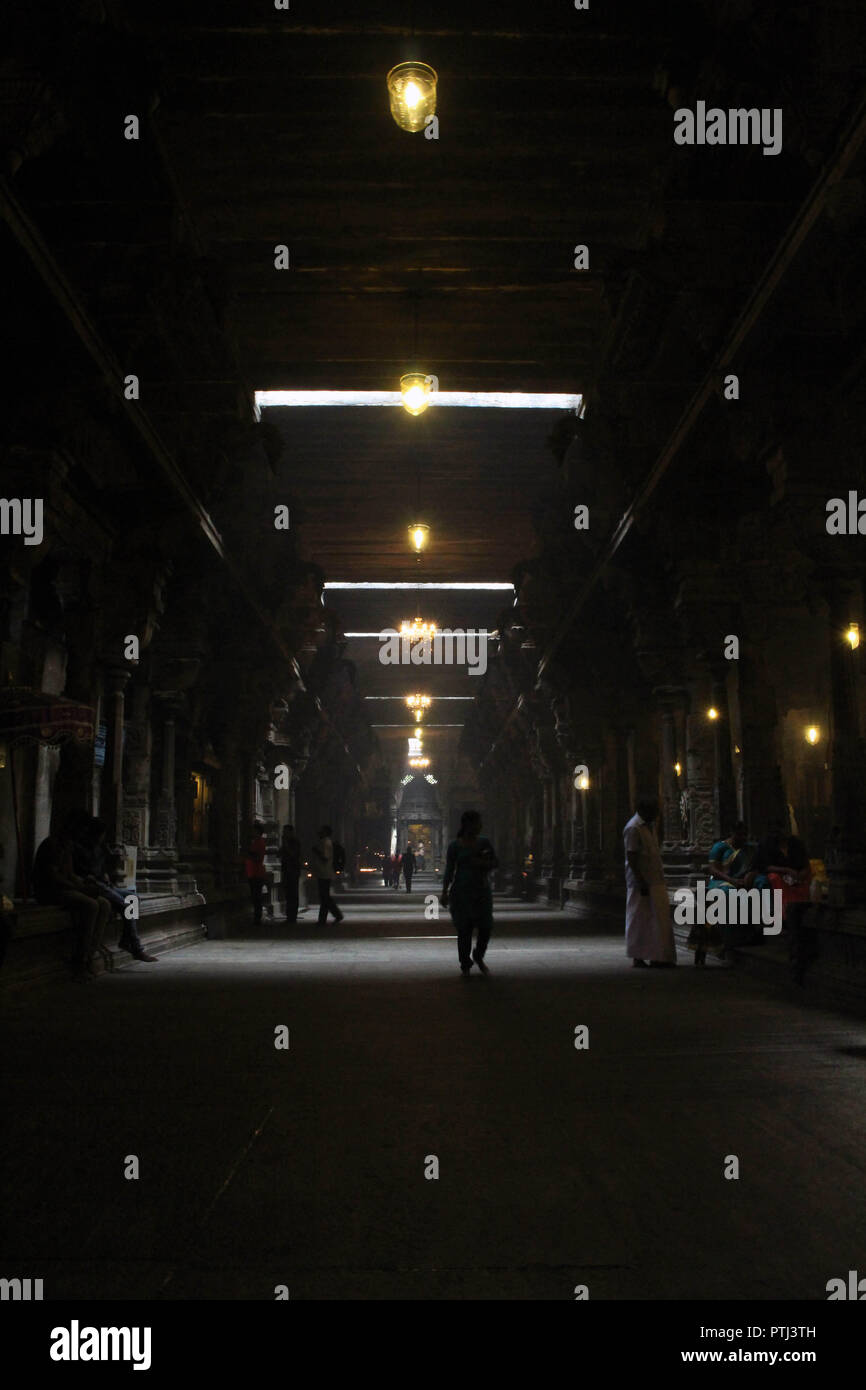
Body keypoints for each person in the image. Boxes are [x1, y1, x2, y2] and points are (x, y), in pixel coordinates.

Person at [32, 812, 111, 981]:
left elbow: (71, 873)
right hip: (51, 890)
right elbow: (54, 876)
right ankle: (79, 960)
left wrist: (84, 882)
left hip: (70, 887)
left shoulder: (69, 845)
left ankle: (90, 953)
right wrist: (80, 886)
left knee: (107, 903)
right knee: (92, 905)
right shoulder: (53, 845)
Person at [72, 815, 157, 962]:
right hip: (92, 886)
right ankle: (136, 947)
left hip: (105, 885)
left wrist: (105, 874)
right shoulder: (79, 849)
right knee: (126, 906)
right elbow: (78, 871)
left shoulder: (99, 848)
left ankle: (126, 940)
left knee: (133, 898)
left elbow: (102, 868)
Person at [749, 825, 812, 983]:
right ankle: (784, 914)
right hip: (780, 880)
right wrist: (786, 870)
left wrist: (800, 874)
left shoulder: (796, 846)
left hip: (797, 883)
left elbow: (805, 865)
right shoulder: (768, 846)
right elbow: (764, 866)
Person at [687, 820, 755, 965]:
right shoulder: (720, 847)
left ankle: (737, 940)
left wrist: (747, 878)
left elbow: (753, 866)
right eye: (739, 834)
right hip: (720, 882)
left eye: (745, 835)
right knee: (729, 895)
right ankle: (725, 945)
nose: (742, 838)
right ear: (732, 833)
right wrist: (732, 880)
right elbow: (713, 870)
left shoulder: (748, 849)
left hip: (741, 881)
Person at [442, 810, 498, 976]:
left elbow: (494, 862)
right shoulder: (455, 846)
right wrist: (444, 891)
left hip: (481, 890)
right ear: (468, 824)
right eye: (478, 823)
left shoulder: (484, 843)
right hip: (461, 892)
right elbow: (449, 870)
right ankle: (465, 963)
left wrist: (481, 862)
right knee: (464, 929)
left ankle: (478, 955)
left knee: (486, 926)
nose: (480, 826)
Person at [624, 796, 677, 968]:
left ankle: (658, 955)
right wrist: (641, 881)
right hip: (642, 882)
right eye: (654, 812)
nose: (657, 815)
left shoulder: (648, 827)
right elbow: (631, 856)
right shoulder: (633, 828)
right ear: (644, 811)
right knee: (639, 919)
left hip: (655, 879)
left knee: (657, 920)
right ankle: (638, 955)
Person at [312, 824, 344, 924]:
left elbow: (325, 857)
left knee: (324, 897)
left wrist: (316, 851)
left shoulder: (326, 842)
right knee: (324, 897)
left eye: (321, 830)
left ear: (325, 832)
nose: (319, 832)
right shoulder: (326, 842)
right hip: (323, 872)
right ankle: (326, 918)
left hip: (324, 873)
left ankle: (334, 915)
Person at [244, 820, 268, 925]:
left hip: (256, 873)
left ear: (258, 832)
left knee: (257, 897)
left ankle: (257, 918)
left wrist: (249, 854)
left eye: (254, 831)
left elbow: (257, 857)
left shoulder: (259, 842)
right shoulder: (256, 842)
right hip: (253, 872)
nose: (252, 833)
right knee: (255, 896)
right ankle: (257, 917)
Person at [279, 824, 301, 923]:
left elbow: (293, 854)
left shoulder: (295, 842)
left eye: (286, 831)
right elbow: (280, 854)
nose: (284, 833)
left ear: (291, 832)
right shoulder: (286, 842)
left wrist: (286, 845)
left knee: (293, 894)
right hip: (286, 870)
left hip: (293, 870)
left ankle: (293, 916)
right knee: (288, 894)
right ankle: (289, 916)